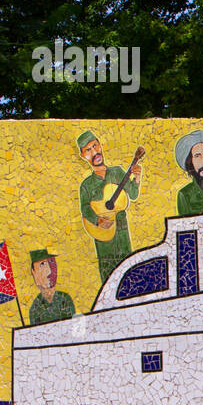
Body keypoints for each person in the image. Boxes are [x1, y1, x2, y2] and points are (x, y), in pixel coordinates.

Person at [77, 130, 142, 282]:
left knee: (127, 269)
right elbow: (85, 208)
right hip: (103, 236)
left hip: (122, 232)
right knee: (108, 274)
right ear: (82, 156)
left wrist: (137, 178)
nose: (94, 152)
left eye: (95, 146)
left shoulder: (117, 172)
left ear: (100, 145)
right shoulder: (86, 185)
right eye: (88, 150)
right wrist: (97, 220)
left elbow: (132, 195)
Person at [27, 248, 76, 325]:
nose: (49, 270)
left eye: (52, 262)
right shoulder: (35, 309)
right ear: (34, 273)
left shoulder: (65, 299)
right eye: (42, 264)